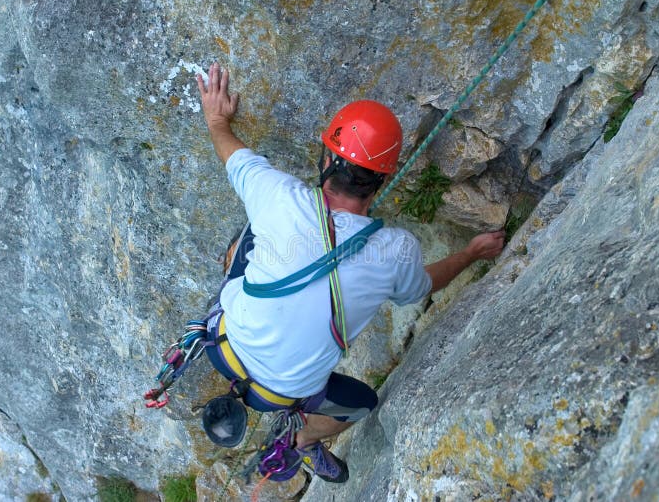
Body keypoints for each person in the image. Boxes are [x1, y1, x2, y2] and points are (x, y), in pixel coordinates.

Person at [195, 62, 505, 483]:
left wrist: (216, 117)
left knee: (255, 228)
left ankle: (235, 266)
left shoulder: (277, 196)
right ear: (384, 178)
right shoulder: (395, 251)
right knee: (362, 402)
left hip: (222, 345)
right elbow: (422, 287)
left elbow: (229, 147)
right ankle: (301, 442)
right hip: (279, 397)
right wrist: (470, 253)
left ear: (326, 158)